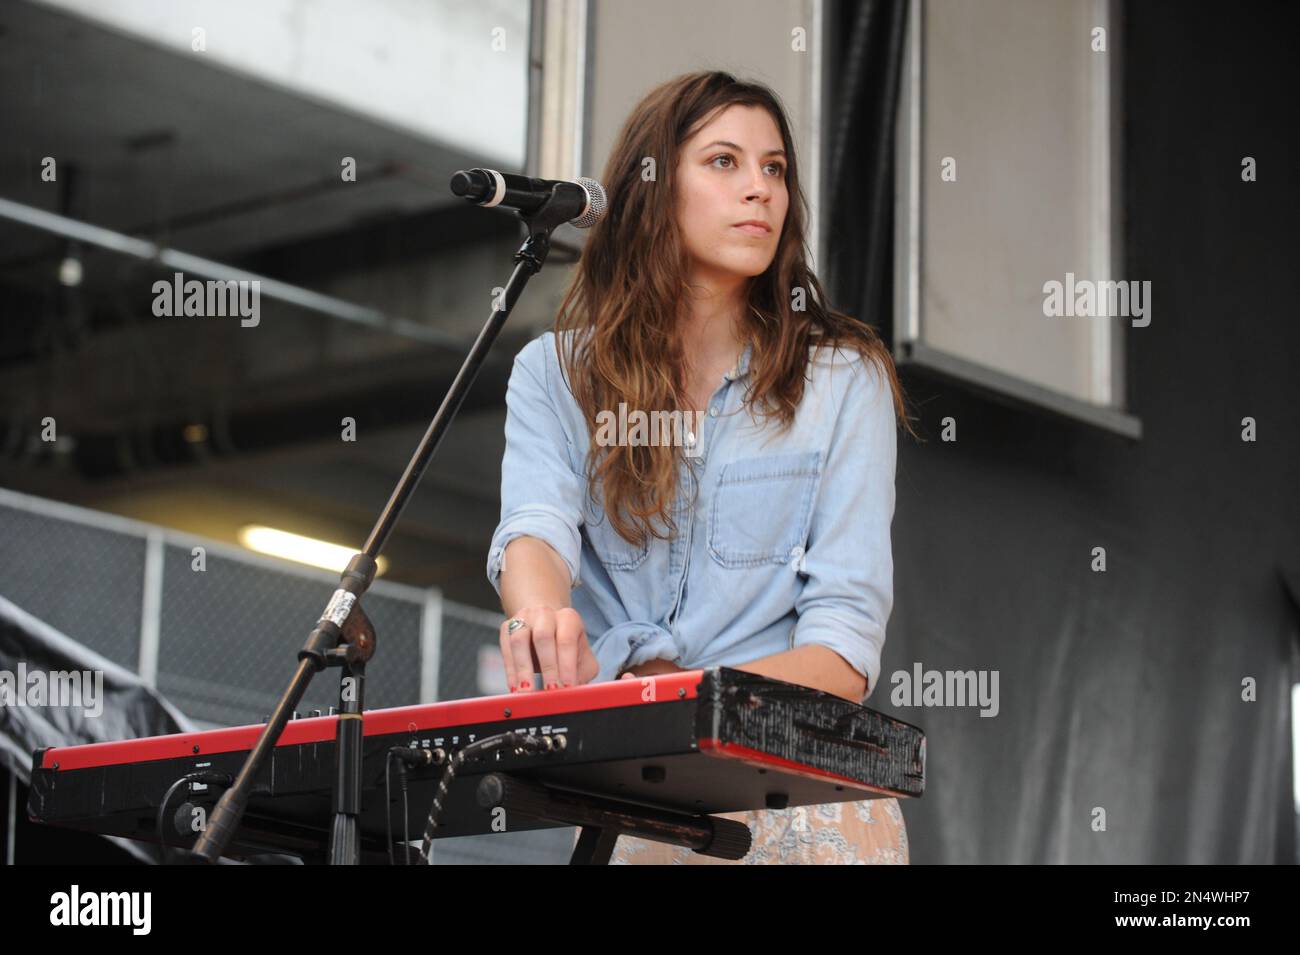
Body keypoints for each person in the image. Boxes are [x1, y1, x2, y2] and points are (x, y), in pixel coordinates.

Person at [486, 70, 916, 864]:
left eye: (775, 168)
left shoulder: (842, 381)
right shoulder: (554, 375)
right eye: (724, 162)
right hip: (630, 804)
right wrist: (539, 618)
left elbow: (844, 647)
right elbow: (535, 528)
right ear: (652, 190)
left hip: (792, 802)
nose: (759, 188)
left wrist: (667, 706)